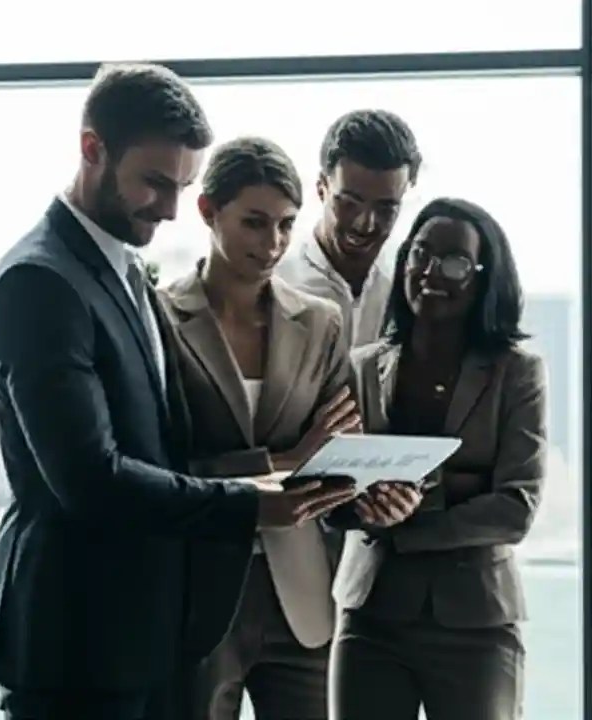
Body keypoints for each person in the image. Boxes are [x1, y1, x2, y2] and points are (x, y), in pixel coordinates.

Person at [0, 64, 355, 720]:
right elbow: (91, 480)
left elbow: (160, 449)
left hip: (139, 637)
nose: (171, 209)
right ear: (92, 149)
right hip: (74, 641)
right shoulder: (40, 283)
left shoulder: (122, 271)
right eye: (154, 182)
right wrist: (250, 504)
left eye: (181, 186)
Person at [158, 137, 423, 720]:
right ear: (208, 211)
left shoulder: (320, 324)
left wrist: (376, 496)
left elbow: (338, 458)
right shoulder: (160, 318)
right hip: (197, 592)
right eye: (254, 223)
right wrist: (287, 459)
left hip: (300, 591)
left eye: (285, 225)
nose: (273, 243)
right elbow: (160, 469)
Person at [328, 198, 548, 720]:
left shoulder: (516, 372)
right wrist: (457, 486)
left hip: (476, 622)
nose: (430, 273)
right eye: (420, 254)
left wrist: (409, 516)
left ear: (484, 277)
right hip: (371, 615)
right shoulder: (361, 367)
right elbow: (331, 494)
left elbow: (515, 507)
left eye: (453, 262)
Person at [274, 109, 422, 349]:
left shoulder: (410, 279)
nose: (366, 224)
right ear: (322, 188)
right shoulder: (277, 279)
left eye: (385, 208)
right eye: (349, 203)